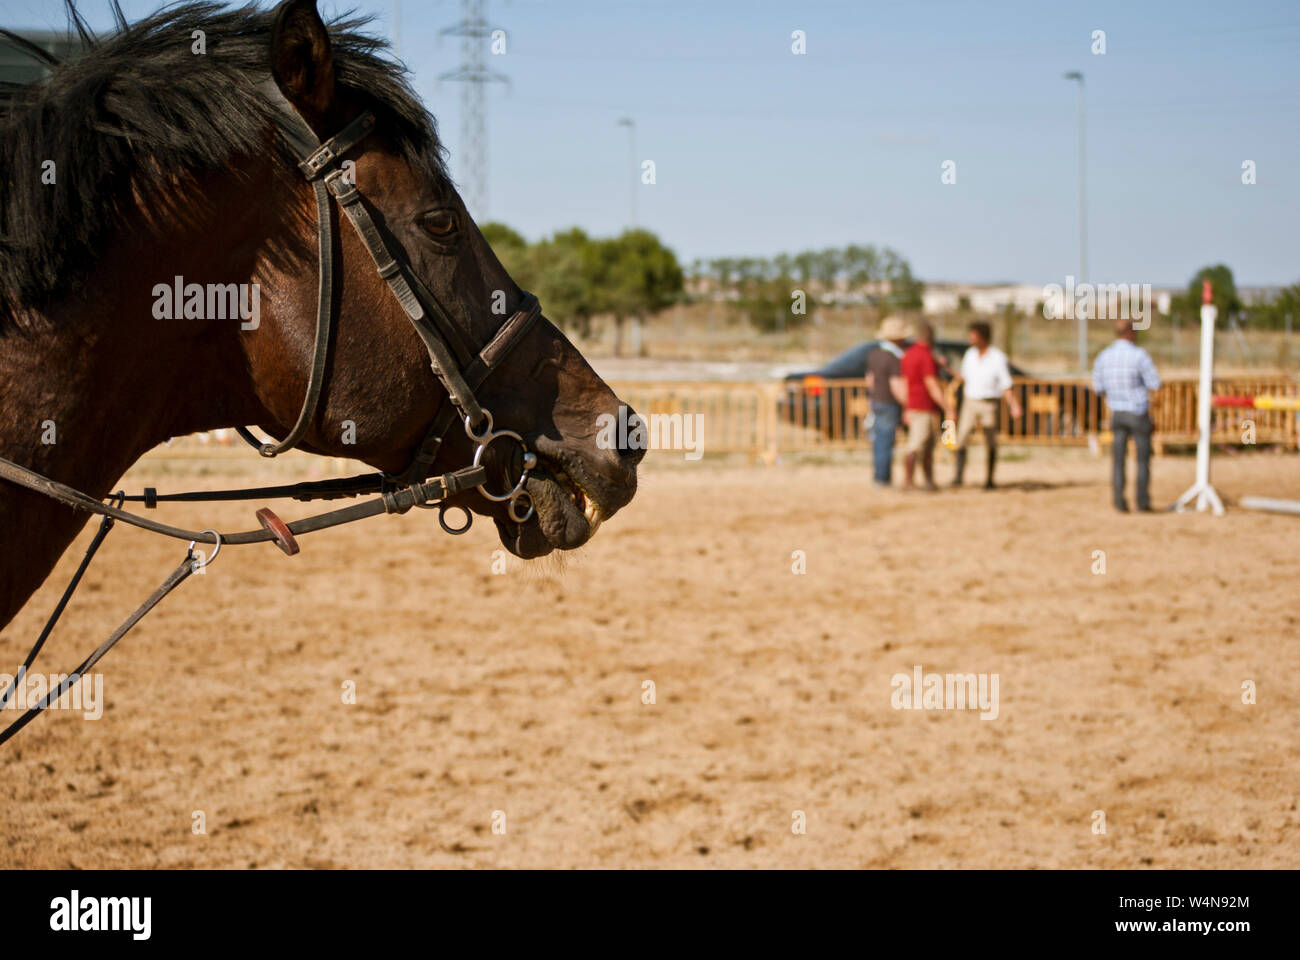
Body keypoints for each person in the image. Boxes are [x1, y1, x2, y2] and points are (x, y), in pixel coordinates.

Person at [1092, 319, 1162, 512]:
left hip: (1117, 413)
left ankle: (1119, 502)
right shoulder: (1139, 355)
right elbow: (1155, 383)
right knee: (1142, 459)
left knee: (1118, 460)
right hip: (1138, 412)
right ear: (1131, 333)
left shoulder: (1104, 356)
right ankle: (1142, 502)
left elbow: (1098, 387)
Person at [950, 321, 1022, 489]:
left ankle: (989, 479)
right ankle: (958, 476)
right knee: (961, 439)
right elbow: (964, 377)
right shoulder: (969, 355)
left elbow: (1006, 384)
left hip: (989, 404)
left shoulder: (997, 357)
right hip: (970, 402)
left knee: (990, 442)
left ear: (982, 337)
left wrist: (1014, 405)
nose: (970, 338)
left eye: (973, 334)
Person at [899, 321, 956, 491]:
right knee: (919, 446)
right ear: (931, 337)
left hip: (913, 406)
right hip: (925, 407)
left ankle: (926, 482)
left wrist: (906, 407)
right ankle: (912, 482)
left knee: (923, 445)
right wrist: (947, 407)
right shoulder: (925, 356)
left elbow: (904, 383)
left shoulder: (908, 354)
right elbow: (931, 384)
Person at [863, 316, 909, 487]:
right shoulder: (894, 358)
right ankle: (882, 479)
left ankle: (879, 476)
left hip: (876, 401)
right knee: (886, 442)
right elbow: (896, 384)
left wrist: (871, 398)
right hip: (889, 404)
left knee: (878, 441)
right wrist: (907, 403)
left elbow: (870, 380)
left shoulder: (874, 354)